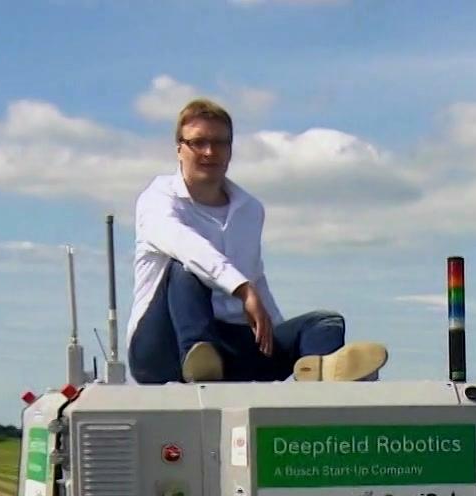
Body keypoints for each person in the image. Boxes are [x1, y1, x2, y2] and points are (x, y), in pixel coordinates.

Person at [126, 98, 388, 384]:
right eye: (198, 142)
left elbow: (256, 276)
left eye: (220, 143)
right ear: (179, 148)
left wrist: (275, 338)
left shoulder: (250, 209)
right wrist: (242, 289)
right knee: (184, 268)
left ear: (230, 149)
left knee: (325, 322)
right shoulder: (158, 197)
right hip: (163, 347)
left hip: (232, 345)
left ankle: (322, 375)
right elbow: (184, 243)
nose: (209, 152)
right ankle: (198, 358)